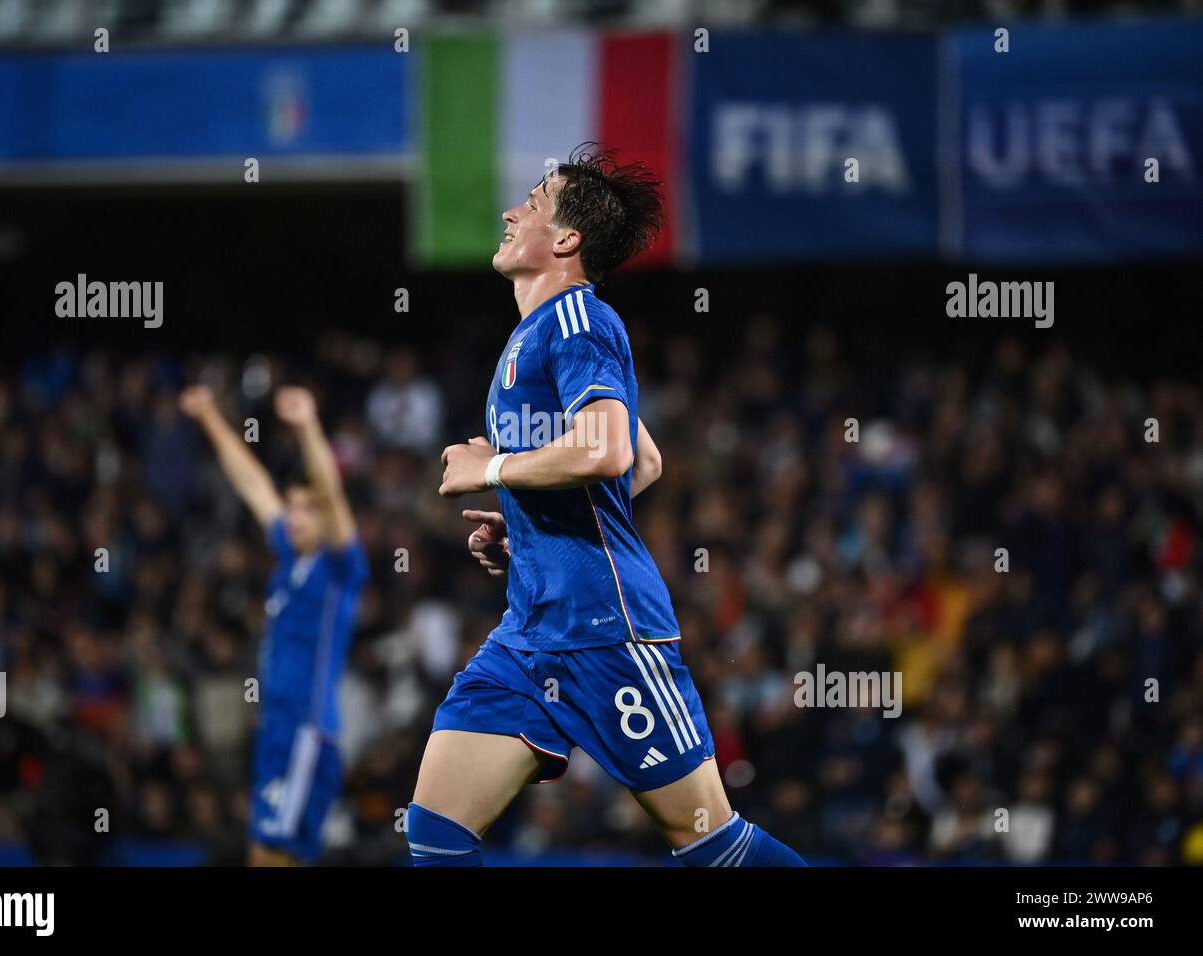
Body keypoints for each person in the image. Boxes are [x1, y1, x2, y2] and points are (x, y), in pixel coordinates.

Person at [410, 145, 805, 867]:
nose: (510, 212)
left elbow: (610, 454)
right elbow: (645, 460)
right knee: (434, 833)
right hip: (528, 637)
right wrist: (528, 526)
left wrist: (489, 468)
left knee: (711, 843)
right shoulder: (536, 334)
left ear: (565, 240)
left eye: (530, 204)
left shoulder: (578, 323)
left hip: (607, 631)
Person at [179, 384, 367, 865]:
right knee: (270, 857)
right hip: (277, 731)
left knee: (269, 858)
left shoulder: (339, 569)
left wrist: (307, 427)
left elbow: (334, 496)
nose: (297, 518)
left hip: (306, 734)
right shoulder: (289, 558)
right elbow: (252, 484)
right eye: (294, 509)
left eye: (309, 510)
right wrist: (209, 419)